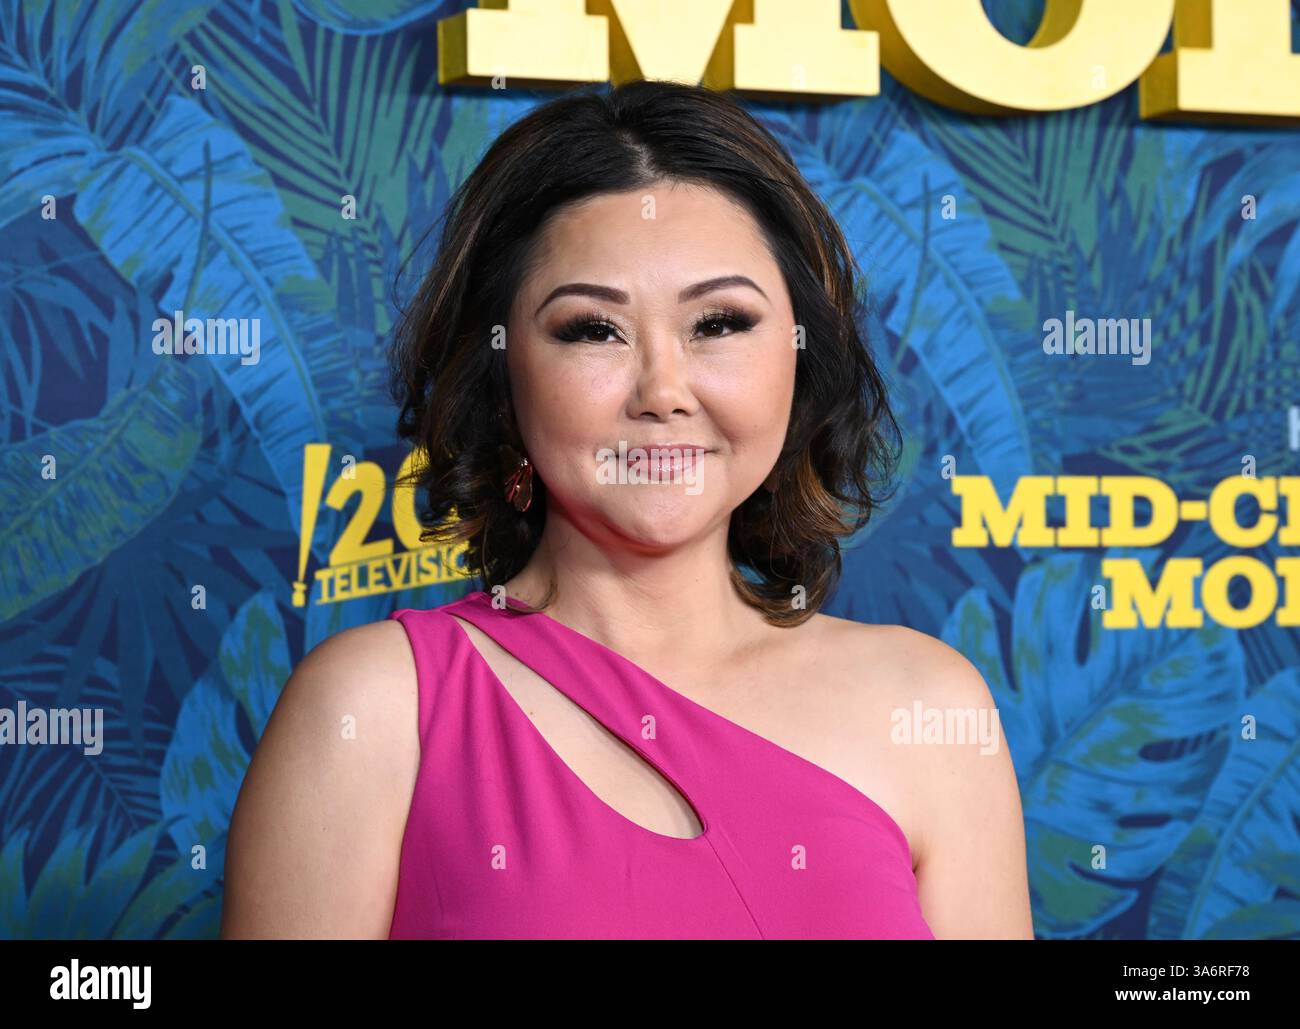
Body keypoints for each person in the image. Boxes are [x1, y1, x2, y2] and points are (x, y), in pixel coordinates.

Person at [220, 79, 1033, 940]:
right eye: (591, 330)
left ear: (799, 360)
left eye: (719, 322)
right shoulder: (374, 708)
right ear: (502, 381)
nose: (663, 391)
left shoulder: (930, 706)